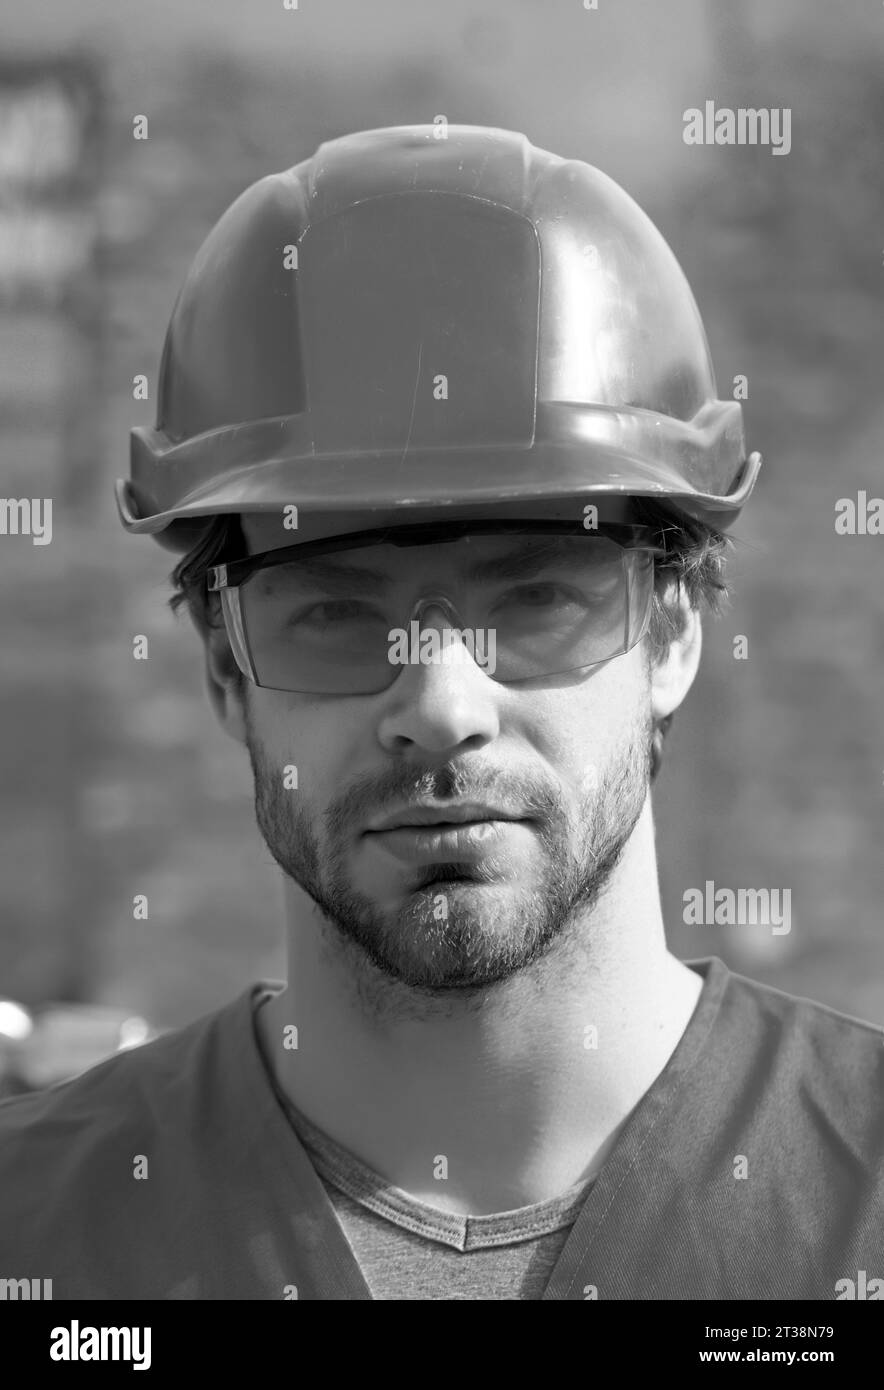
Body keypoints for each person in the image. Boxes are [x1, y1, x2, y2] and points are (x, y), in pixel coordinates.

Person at [0, 125, 880, 1302]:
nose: (439, 703)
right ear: (222, 666)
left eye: (533, 598)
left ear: (672, 633)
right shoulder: (35, 1241)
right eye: (333, 612)